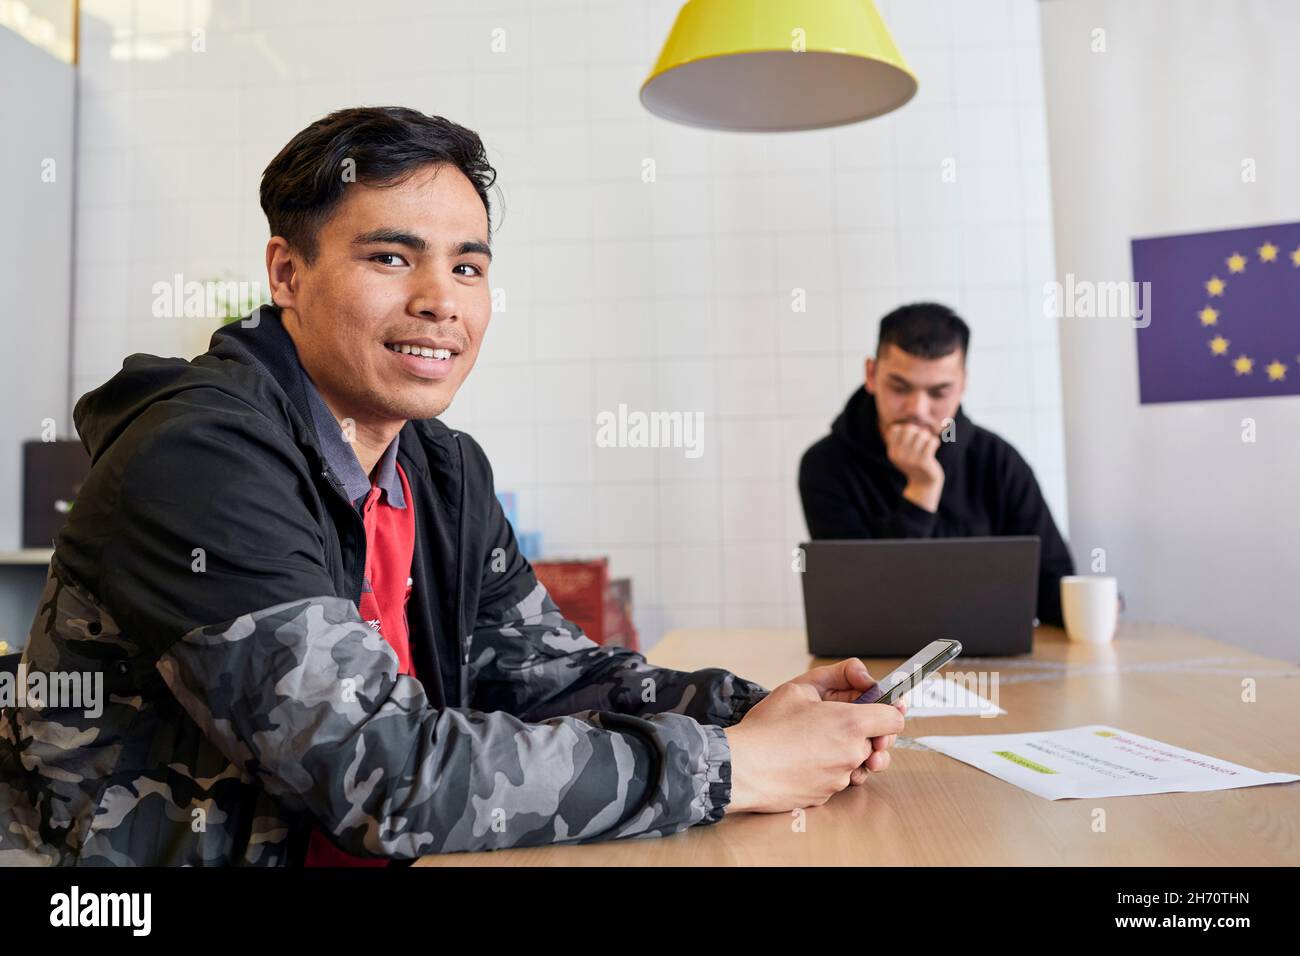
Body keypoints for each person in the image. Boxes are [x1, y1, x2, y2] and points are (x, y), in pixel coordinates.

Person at [0, 107, 903, 866]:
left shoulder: (440, 468)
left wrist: (762, 712)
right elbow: (383, 774)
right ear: (287, 274)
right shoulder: (199, 457)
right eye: (392, 258)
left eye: (468, 267)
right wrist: (736, 767)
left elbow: (547, 676)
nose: (443, 300)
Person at [799, 302, 1075, 626]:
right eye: (900, 387)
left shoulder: (998, 461)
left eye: (939, 392)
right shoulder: (825, 465)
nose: (918, 409)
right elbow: (863, 605)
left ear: (962, 385)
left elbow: (1054, 587)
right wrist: (921, 490)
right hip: (872, 664)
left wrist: (1094, 604)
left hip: (990, 659)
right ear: (871, 375)